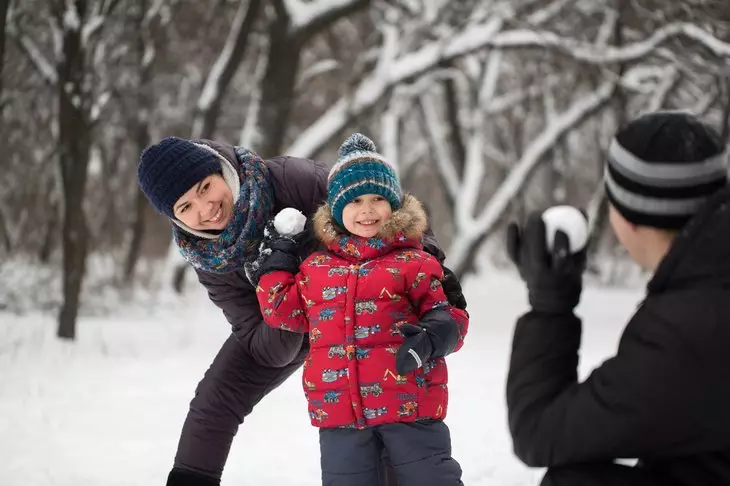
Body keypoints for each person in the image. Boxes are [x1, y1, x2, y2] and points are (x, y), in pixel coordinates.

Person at [136, 136, 468, 486]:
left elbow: (384, 206)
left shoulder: (291, 180)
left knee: (381, 413)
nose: (206, 209)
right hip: (288, 320)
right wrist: (278, 284)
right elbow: (262, 346)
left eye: (205, 187)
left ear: (221, 170)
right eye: (186, 207)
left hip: (369, 303)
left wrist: (434, 269)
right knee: (216, 398)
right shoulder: (207, 258)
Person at [504, 111, 730, 486]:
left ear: (627, 218)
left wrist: (549, 306)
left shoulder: (687, 328)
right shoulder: (706, 288)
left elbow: (539, 431)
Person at [245, 133, 469, 486]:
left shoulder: (414, 262)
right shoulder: (316, 268)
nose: (367, 210)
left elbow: (448, 316)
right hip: (339, 414)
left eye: (378, 198)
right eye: (355, 201)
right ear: (336, 209)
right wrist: (280, 257)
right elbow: (280, 311)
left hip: (410, 402)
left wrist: (432, 337)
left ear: (393, 205)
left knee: (432, 478)